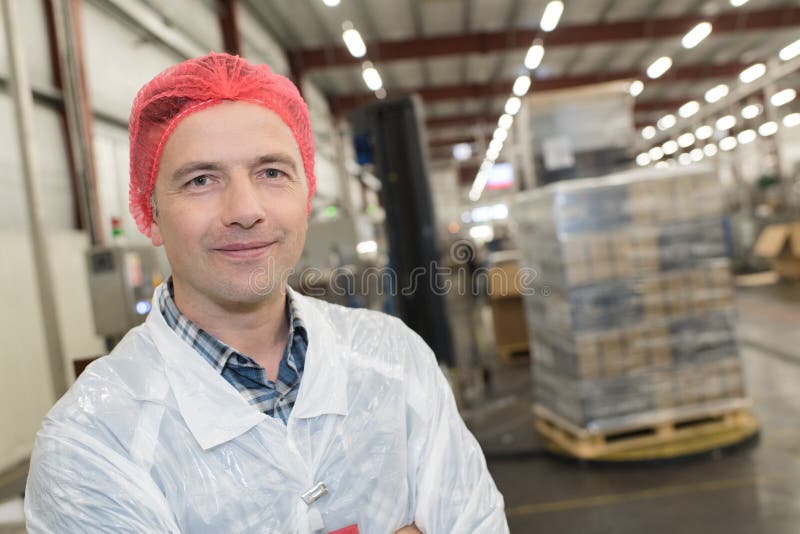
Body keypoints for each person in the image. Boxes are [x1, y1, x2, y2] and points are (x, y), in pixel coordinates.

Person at [24, 53, 508, 533]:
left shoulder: (394, 358)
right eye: (201, 180)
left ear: (306, 194)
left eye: (271, 172)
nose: (245, 210)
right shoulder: (91, 442)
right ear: (150, 214)